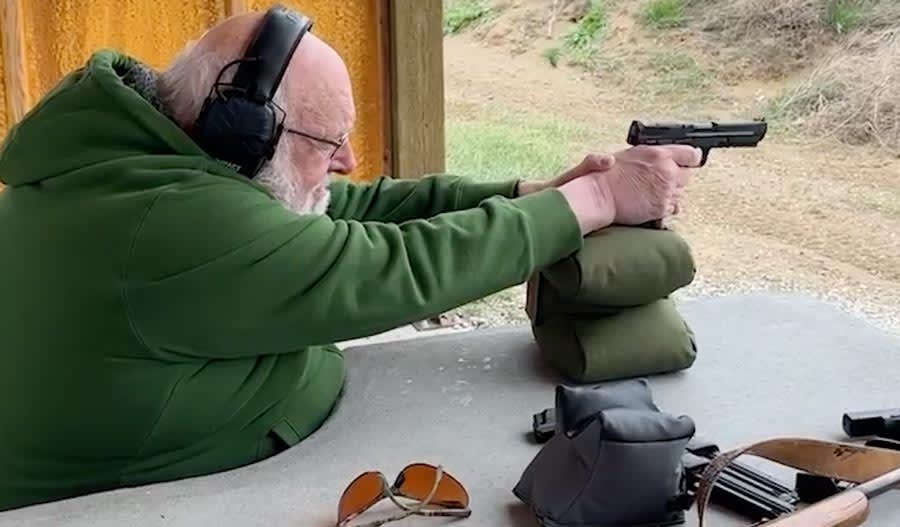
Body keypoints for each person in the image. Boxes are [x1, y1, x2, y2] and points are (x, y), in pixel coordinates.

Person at [0, 6, 701, 512]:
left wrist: (531, 193)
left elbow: (354, 209)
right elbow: (398, 268)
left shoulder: (148, 160)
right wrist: (600, 198)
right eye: (327, 141)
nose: (349, 161)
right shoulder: (170, 224)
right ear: (242, 128)